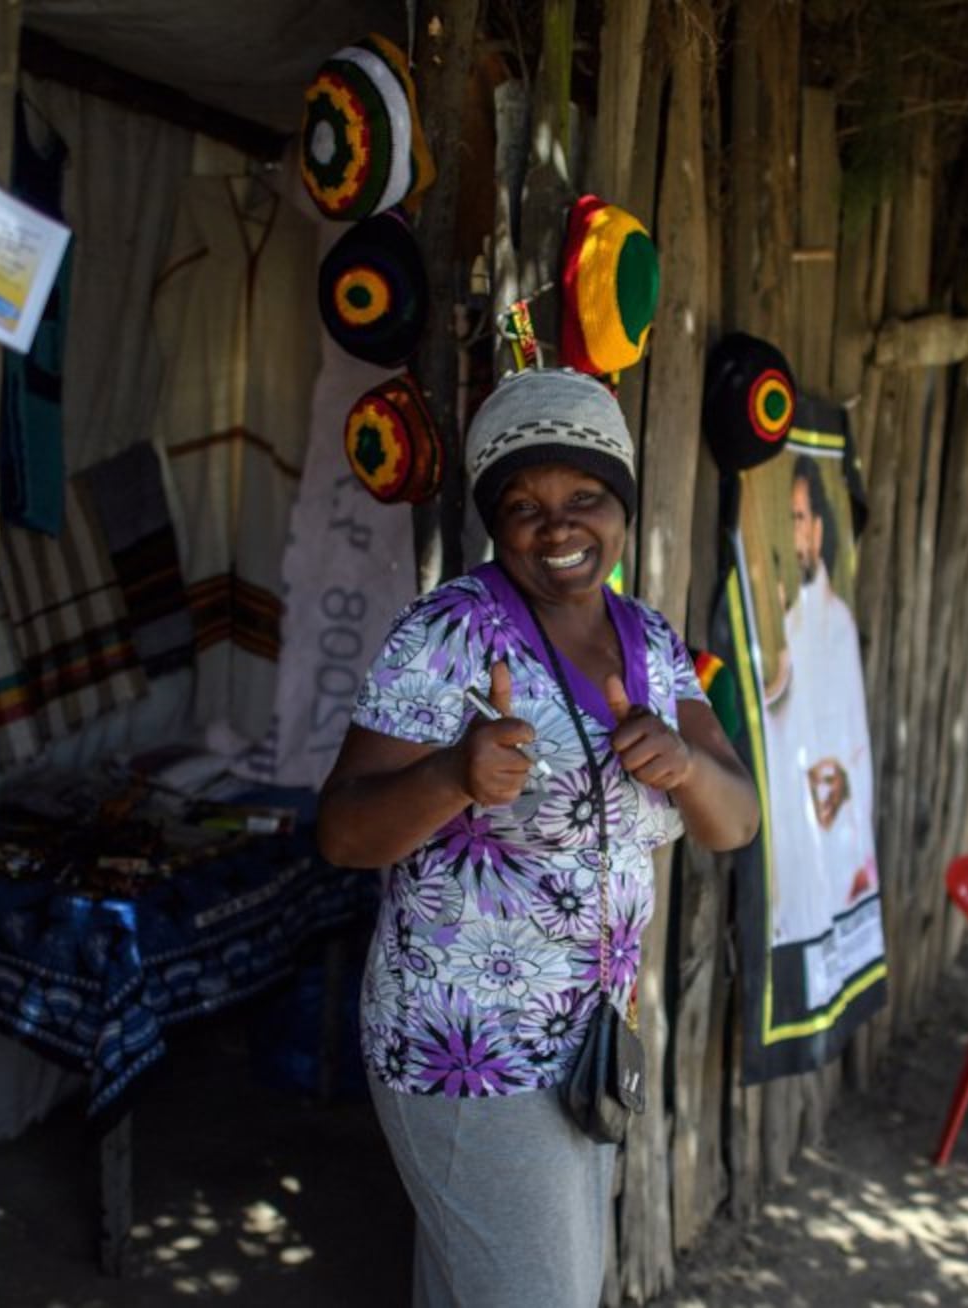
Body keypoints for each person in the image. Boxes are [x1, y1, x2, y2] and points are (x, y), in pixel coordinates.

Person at [316, 368, 759, 1308]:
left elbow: (736, 818)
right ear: (492, 522)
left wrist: (682, 763)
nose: (558, 529)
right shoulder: (448, 634)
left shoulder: (650, 643)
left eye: (584, 498)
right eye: (523, 506)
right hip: (466, 1045)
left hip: (586, 1043)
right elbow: (344, 832)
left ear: (622, 506)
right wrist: (451, 776)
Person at [760, 454, 879, 945]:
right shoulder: (775, 619)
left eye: (801, 519)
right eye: (784, 520)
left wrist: (838, 784)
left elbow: (852, 739)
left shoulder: (838, 624)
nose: (794, 534)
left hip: (826, 822)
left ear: (818, 530)